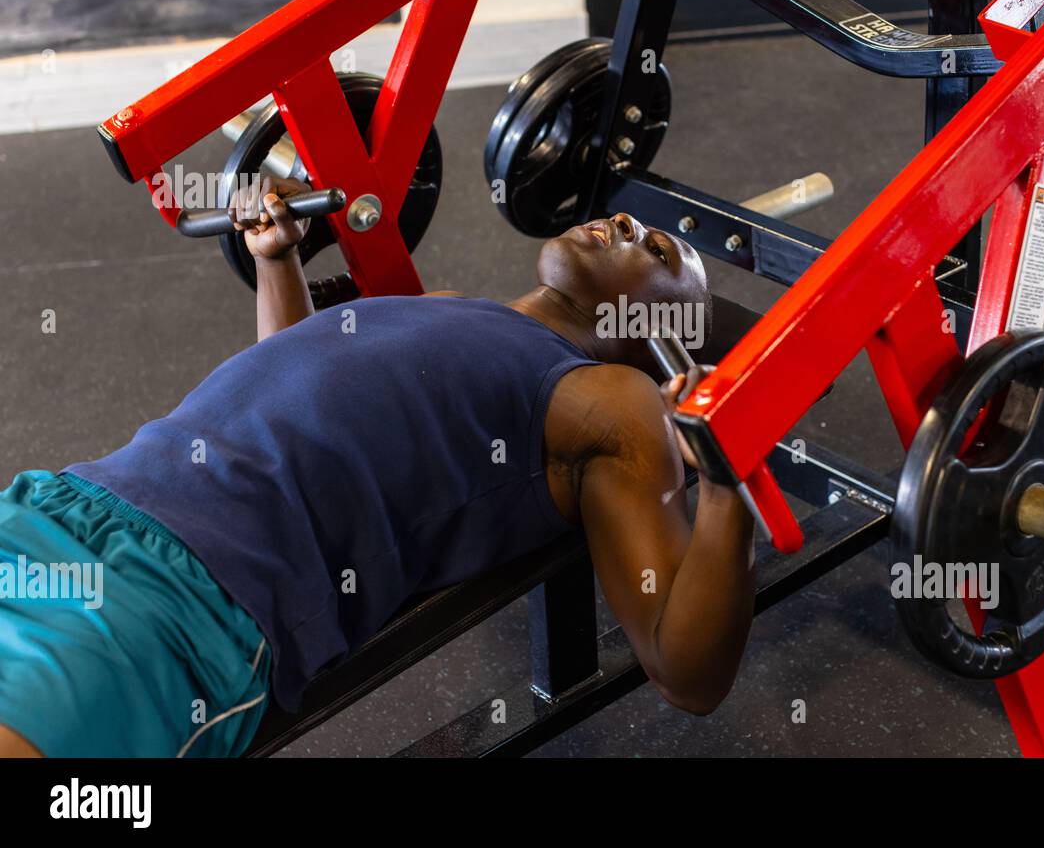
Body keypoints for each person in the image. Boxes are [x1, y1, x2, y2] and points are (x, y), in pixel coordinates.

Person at [0, 177, 755, 757]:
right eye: (639, 222)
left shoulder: (612, 400)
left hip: (187, 599)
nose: (627, 221)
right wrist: (279, 261)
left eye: (657, 252)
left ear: (659, 331)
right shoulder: (453, 304)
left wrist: (725, 483)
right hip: (68, 503)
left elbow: (686, 672)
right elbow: (294, 375)